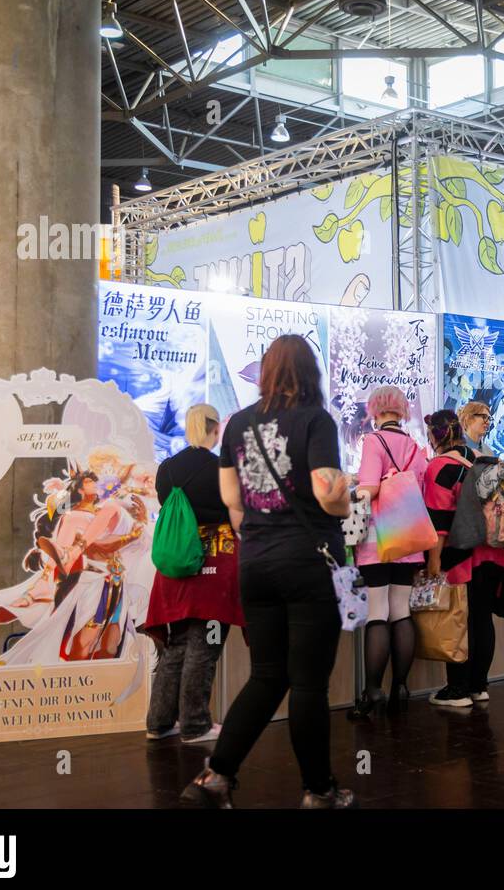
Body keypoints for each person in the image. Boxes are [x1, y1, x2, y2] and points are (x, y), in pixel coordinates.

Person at [182, 335, 356, 809]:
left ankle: (215, 778)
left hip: (254, 563)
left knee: (266, 676)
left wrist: (261, 536)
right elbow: (326, 491)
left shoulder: (237, 423)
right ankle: (319, 790)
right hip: (306, 562)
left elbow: (232, 502)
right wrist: (345, 494)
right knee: (307, 683)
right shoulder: (315, 420)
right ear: (310, 372)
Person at [142, 404, 244, 744]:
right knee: (206, 642)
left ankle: (159, 722)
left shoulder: (167, 469)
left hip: (174, 569)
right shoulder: (222, 469)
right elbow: (237, 518)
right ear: (216, 430)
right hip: (214, 568)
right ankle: (195, 724)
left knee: (178, 642)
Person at [348, 386, 430, 719]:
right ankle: (401, 687)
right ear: (401, 411)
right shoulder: (415, 447)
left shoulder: (373, 442)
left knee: (378, 610)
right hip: (409, 534)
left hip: (379, 538)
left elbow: (369, 489)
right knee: (402, 610)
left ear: (376, 410)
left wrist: (354, 487)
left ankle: (372, 692)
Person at [421, 409, 504, 708]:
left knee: (458, 620)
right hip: (493, 553)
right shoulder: (480, 460)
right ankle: (479, 686)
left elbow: (440, 523)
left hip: (461, 557)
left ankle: (457, 689)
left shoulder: (440, 467)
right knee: (482, 619)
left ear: (434, 436)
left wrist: (434, 562)